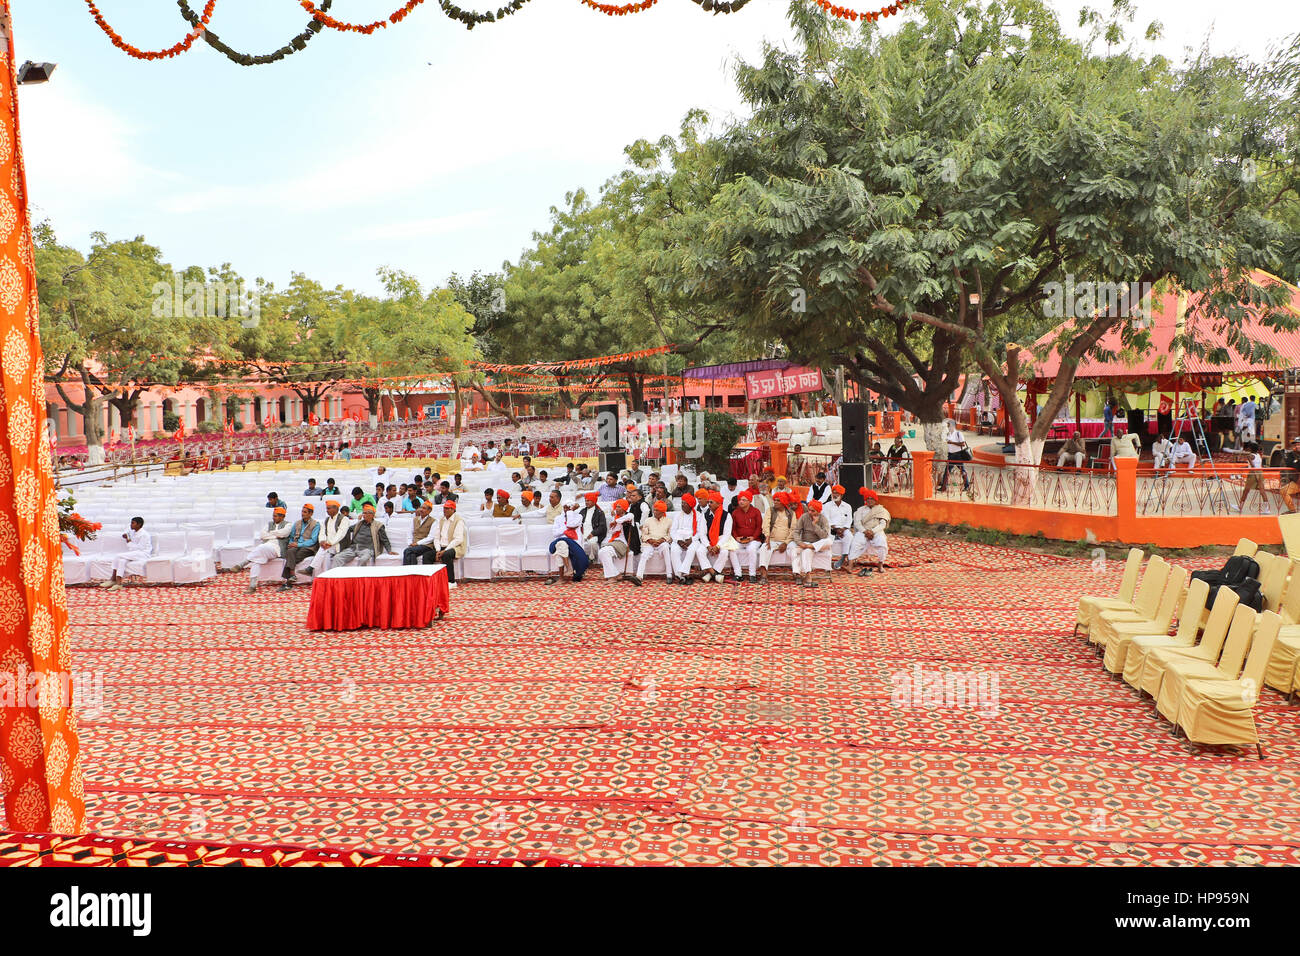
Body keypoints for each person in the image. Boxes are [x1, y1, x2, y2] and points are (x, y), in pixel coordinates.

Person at [230, 507, 291, 594]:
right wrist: (276, 535)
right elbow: (262, 535)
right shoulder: (269, 524)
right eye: (273, 516)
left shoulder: (288, 525)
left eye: (276, 516)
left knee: (260, 549)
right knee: (256, 560)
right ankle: (252, 586)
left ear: (282, 517)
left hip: (277, 549)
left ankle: (242, 564)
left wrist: (270, 534)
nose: (273, 518)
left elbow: (284, 533)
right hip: (266, 547)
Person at [93, 516, 152, 590]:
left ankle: (113, 579)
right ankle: (118, 584)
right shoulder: (133, 531)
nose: (131, 525)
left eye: (133, 523)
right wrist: (126, 535)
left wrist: (128, 541)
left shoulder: (144, 534)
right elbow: (127, 532)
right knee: (122, 561)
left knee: (118, 556)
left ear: (139, 524)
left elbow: (140, 548)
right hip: (134, 553)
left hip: (143, 553)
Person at [848, 488, 890, 575]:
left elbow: (883, 524)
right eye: (868, 499)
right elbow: (857, 523)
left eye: (872, 499)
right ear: (865, 500)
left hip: (876, 531)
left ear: (875, 500)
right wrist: (865, 531)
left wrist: (872, 531)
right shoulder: (860, 510)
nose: (870, 501)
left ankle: (880, 564)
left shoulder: (881, 510)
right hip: (863, 531)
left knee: (882, 543)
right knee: (855, 542)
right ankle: (850, 565)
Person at [278, 503, 320, 591]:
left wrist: (298, 544)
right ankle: (292, 576)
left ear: (310, 514)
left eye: (305, 512)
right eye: (302, 511)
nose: (302, 513)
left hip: (308, 548)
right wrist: (291, 543)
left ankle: (288, 582)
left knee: (292, 556)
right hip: (296, 545)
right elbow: (292, 536)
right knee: (290, 551)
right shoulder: (297, 523)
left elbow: (313, 540)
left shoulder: (316, 524)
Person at [791, 498, 831, 588]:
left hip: (817, 544)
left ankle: (810, 547)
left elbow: (824, 536)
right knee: (799, 551)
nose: (810, 512)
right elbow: (796, 531)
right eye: (809, 510)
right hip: (805, 543)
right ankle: (803, 574)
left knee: (829, 541)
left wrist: (815, 525)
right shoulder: (804, 517)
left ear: (818, 511)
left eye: (813, 511)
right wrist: (799, 542)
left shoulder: (823, 519)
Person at [669, 493, 707, 585]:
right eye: (682, 503)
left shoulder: (699, 515)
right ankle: (683, 575)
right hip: (678, 539)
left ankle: (682, 574)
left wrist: (692, 539)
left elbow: (701, 532)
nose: (682, 505)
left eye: (684, 503)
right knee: (674, 550)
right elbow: (673, 531)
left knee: (692, 550)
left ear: (690, 505)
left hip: (692, 539)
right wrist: (678, 540)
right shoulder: (677, 515)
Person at [758, 493, 796, 583]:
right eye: (774, 500)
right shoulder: (770, 510)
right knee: (764, 548)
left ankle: (797, 573)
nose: (775, 502)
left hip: (788, 540)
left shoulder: (791, 513)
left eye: (778, 500)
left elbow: (793, 529)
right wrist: (767, 536)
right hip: (772, 539)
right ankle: (763, 574)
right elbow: (765, 524)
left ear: (784, 502)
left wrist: (786, 543)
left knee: (795, 549)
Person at [429, 499, 467, 589]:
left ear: (453, 510)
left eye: (447, 508)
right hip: (441, 547)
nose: (444, 510)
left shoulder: (459, 520)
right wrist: (438, 550)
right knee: (427, 556)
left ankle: (451, 581)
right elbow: (436, 537)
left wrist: (445, 550)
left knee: (446, 555)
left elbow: (458, 539)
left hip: (456, 547)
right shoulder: (441, 520)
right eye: (444, 508)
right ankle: (430, 580)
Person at [700, 490, 735, 583]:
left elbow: (727, 534)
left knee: (724, 552)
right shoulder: (705, 515)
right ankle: (714, 574)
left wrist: (717, 546)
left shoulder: (727, 515)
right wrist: (708, 545)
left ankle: (710, 574)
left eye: (711, 502)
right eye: (708, 502)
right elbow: (702, 533)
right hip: (708, 540)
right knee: (699, 551)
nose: (709, 504)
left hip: (721, 540)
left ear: (718, 504)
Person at [728, 490, 763, 582]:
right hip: (739, 539)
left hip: (754, 539)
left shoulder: (756, 512)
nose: (741, 502)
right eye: (740, 500)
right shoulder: (735, 512)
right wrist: (736, 537)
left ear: (749, 501)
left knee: (751, 549)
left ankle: (752, 574)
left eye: (744, 500)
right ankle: (738, 573)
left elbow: (759, 527)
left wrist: (753, 537)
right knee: (732, 549)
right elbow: (733, 528)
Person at [635, 500, 674, 585]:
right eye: (654, 510)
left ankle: (669, 575)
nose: (654, 512)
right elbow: (643, 535)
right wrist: (651, 540)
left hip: (662, 542)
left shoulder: (669, 521)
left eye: (657, 510)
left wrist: (662, 540)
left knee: (666, 548)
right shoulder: (648, 520)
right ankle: (639, 576)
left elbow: (671, 535)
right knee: (645, 554)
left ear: (662, 512)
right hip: (650, 542)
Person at [547, 508, 589, 584]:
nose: (567, 510)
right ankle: (569, 568)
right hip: (559, 541)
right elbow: (555, 533)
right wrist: (567, 527)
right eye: (565, 507)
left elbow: (575, 530)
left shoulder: (578, 517)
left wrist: (569, 525)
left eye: (569, 508)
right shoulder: (558, 518)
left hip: (573, 543)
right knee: (562, 543)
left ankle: (561, 578)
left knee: (561, 547)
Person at [310, 497, 349, 575]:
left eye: (328, 508)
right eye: (326, 508)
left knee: (323, 550)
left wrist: (329, 543)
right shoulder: (327, 519)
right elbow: (322, 532)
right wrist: (322, 541)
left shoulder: (344, 519)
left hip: (339, 545)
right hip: (328, 547)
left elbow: (340, 535)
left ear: (335, 509)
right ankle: (326, 576)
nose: (326, 510)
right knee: (325, 556)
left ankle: (311, 568)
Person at [598, 498, 635, 580]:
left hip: (625, 543)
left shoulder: (630, 515)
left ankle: (612, 576)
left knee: (603, 551)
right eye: (616, 507)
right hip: (615, 541)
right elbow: (612, 531)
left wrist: (617, 521)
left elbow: (627, 517)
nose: (616, 509)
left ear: (624, 508)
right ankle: (615, 574)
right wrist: (616, 521)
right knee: (602, 552)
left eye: (619, 507)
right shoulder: (615, 518)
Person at [823, 485, 853, 570]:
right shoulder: (827, 506)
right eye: (833, 493)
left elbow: (849, 520)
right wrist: (836, 530)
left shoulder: (847, 506)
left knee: (850, 537)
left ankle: (842, 559)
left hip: (843, 529)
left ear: (842, 495)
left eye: (837, 493)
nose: (834, 495)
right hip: (831, 528)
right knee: (827, 540)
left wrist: (842, 530)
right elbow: (826, 520)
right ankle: (826, 562)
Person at [938, 420, 971, 492]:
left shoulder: (958, 433)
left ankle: (967, 486)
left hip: (958, 455)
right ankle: (944, 487)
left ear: (952, 426)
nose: (947, 427)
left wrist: (951, 442)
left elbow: (962, 444)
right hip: (950, 454)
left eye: (948, 425)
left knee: (962, 471)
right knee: (947, 471)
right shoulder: (948, 434)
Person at [1234, 442, 1267, 513]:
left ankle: (1240, 506)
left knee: (1246, 491)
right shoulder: (1258, 455)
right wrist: (1243, 468)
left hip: (1253, 473)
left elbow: (1252, 466)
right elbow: (1253, 465)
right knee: (1262, 491)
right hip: (1260, 472)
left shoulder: (1250, 456)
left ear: (1251, 448)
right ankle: (1267, 509)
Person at [578, 491, 608, 560]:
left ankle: (592, 560)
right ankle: (582, 560)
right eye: (585, 501)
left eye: (588, 501)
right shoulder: (582, 511)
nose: (586, 502)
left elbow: (602, 527)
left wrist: (593, 533)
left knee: (592, 543)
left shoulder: (599, 512)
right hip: (582, 533)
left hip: (594, 534)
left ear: (594, 501)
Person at [1281, 437, 1300, 513]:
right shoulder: (1293, 455)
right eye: (1296, 445)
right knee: (1283, 491)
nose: (1297, 446)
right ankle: (1292, 511)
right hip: (1298, 483)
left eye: (1299, 444)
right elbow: (1290, 464)